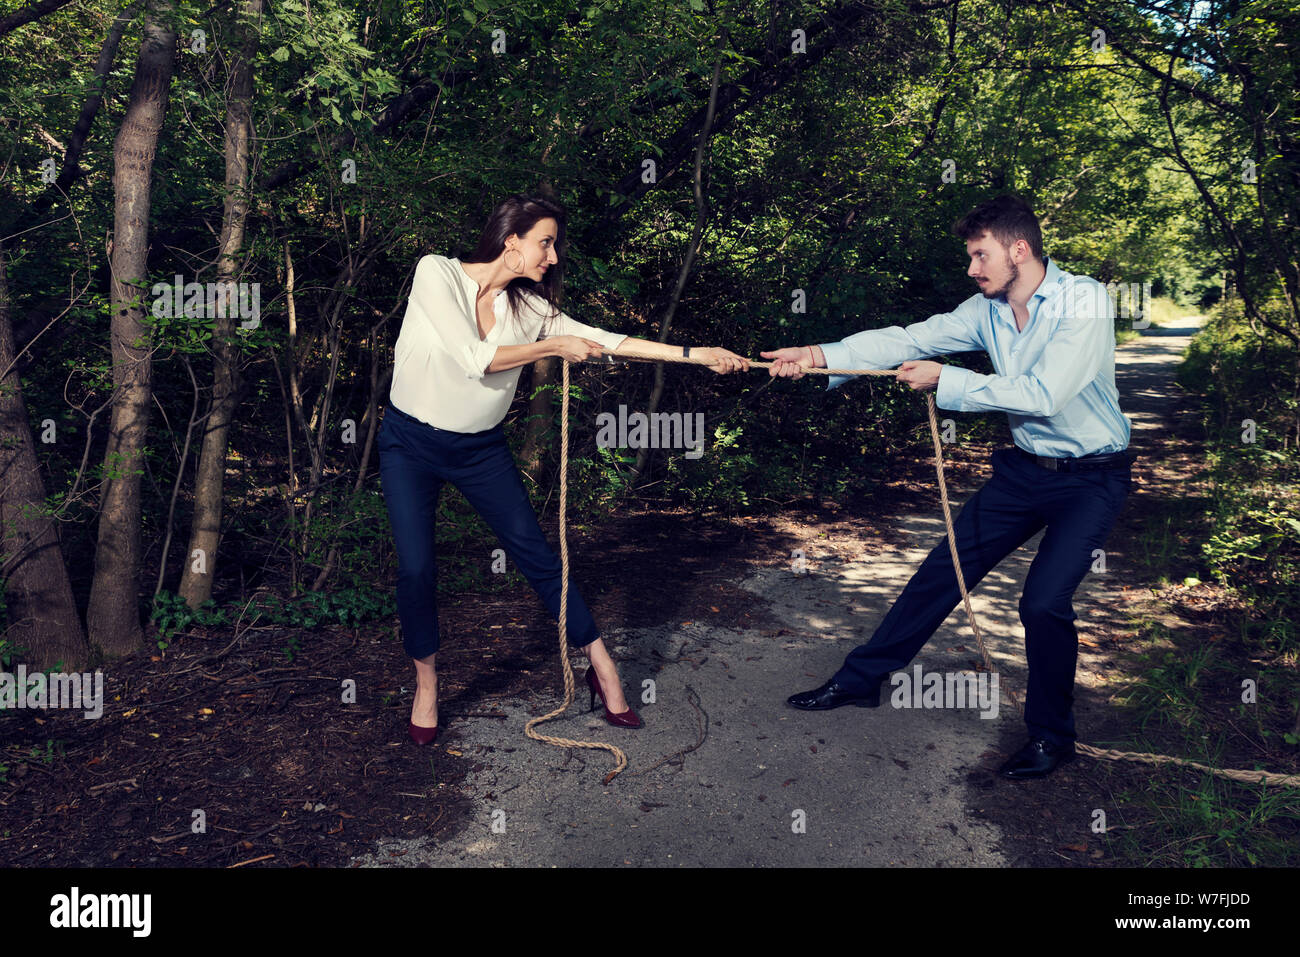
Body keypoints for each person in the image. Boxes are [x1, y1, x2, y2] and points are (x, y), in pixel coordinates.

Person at [761, 193, 1133, 779]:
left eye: (980, 254)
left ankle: (1052, 738)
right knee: (942, 572)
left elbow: (1046, 393)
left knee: (1042, 604)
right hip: (1023, 471)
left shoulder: (1082, 299)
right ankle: (861, 682)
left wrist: (950, 379)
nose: (972, 268)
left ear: (1019, 249)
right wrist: (818, 354)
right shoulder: (985, 310)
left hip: (1092, 479)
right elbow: (909, 339)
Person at [379, 194, 749, 745]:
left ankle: (601, 668)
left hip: (480, 450)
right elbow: (471, 356)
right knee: (416, 571)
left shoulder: (526, 309)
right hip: (409, 444)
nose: (552, 257)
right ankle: (427, 684)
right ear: (512, 241)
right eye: (545, 242)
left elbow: (610, 341)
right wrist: (554, 344)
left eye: (554, 245)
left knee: (538, 556)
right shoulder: (437, 274)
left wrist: (696, 354)